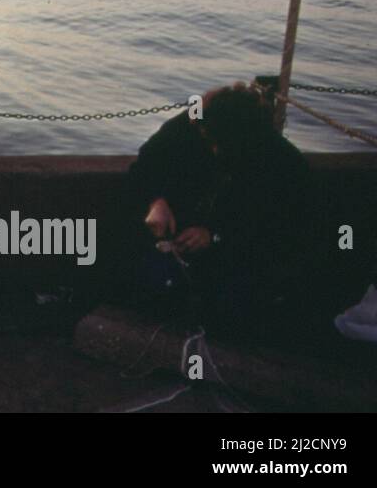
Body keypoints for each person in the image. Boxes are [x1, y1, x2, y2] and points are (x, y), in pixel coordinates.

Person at [127, 82, 322, 337]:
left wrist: (216, 236)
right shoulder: (194, 119)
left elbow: (281, 228)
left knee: (234, 306)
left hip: (245, 252)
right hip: (185, 236)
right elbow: (147, 161)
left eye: (221, 144)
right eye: (209, 140)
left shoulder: (282, 163)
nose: (214, 150)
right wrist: (157, 201)